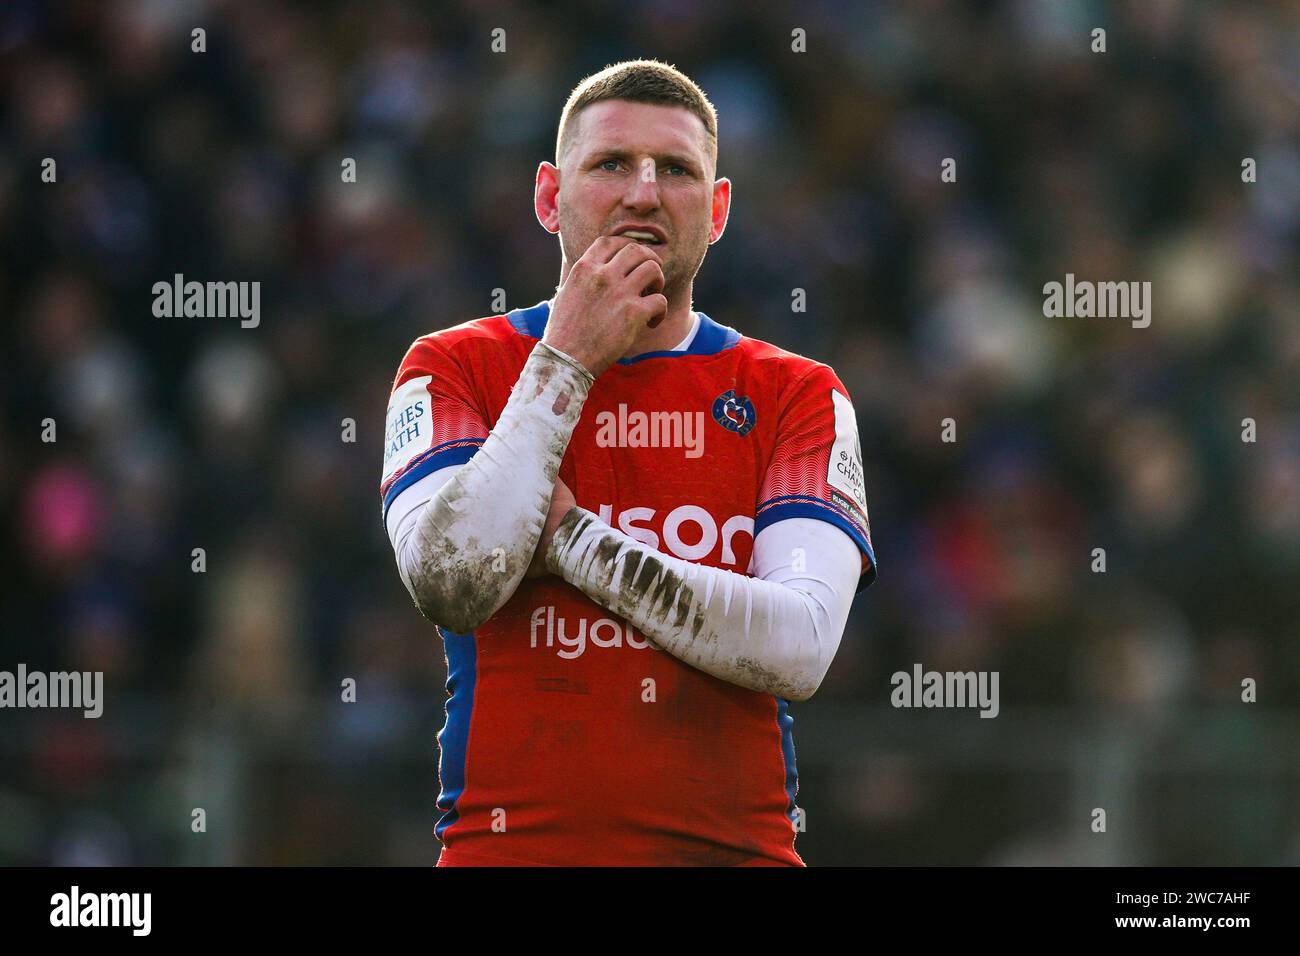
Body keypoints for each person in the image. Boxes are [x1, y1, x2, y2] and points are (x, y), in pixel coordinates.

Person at [380, 59, 876, 866]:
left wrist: (574, 543)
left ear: (716, 211)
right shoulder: (453, 367)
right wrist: (567, 358)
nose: (644, 192)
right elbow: (452, 577)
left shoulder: (795, 393)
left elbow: (800, 646)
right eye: (611, 164)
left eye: (676, 170)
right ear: (550, 197)